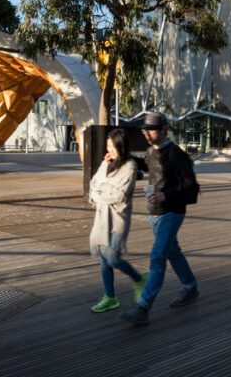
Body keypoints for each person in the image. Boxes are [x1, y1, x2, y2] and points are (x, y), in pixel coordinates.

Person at [122, 112, 200, 326]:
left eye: (151, 129)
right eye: (145, 129)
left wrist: (166, 194)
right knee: (172, 252)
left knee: (158, 256)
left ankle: (143, 307)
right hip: (155, 211)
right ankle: (190, 285)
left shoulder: (176, 154)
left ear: (164, 130)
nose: (147, 133)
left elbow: (189, 184)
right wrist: (121, 156)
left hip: (172, 212)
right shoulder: (151, 150)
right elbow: (146, 164)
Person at [87, 128, 146, 313]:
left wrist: (99, 192)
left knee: (111, 258)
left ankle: (139, 279)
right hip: (102, 218)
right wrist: (103, 176)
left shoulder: (130, 166)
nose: (110, 151)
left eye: (113, 147)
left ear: (122, 146)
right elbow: (93, 184)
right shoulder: (107, 164)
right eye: (108, 147)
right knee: (103, 260)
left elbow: (119, 195)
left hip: (118, 218)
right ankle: (110, 297)